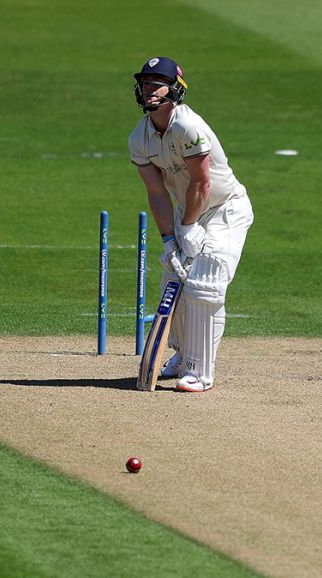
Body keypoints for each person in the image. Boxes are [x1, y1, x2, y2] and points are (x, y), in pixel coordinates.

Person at [128, 57, 253, 393]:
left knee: (205, 283)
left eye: (157, 83)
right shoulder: (139, 138)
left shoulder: (189, 127)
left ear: (176, 89)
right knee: (174, 276)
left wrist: (189, 227)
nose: (149, 89)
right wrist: (170, 240)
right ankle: (182, 357)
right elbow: (156, 193)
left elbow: (203, 182)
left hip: (225, 209)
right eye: (145, 83)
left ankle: (200, 372)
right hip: (189, 212)